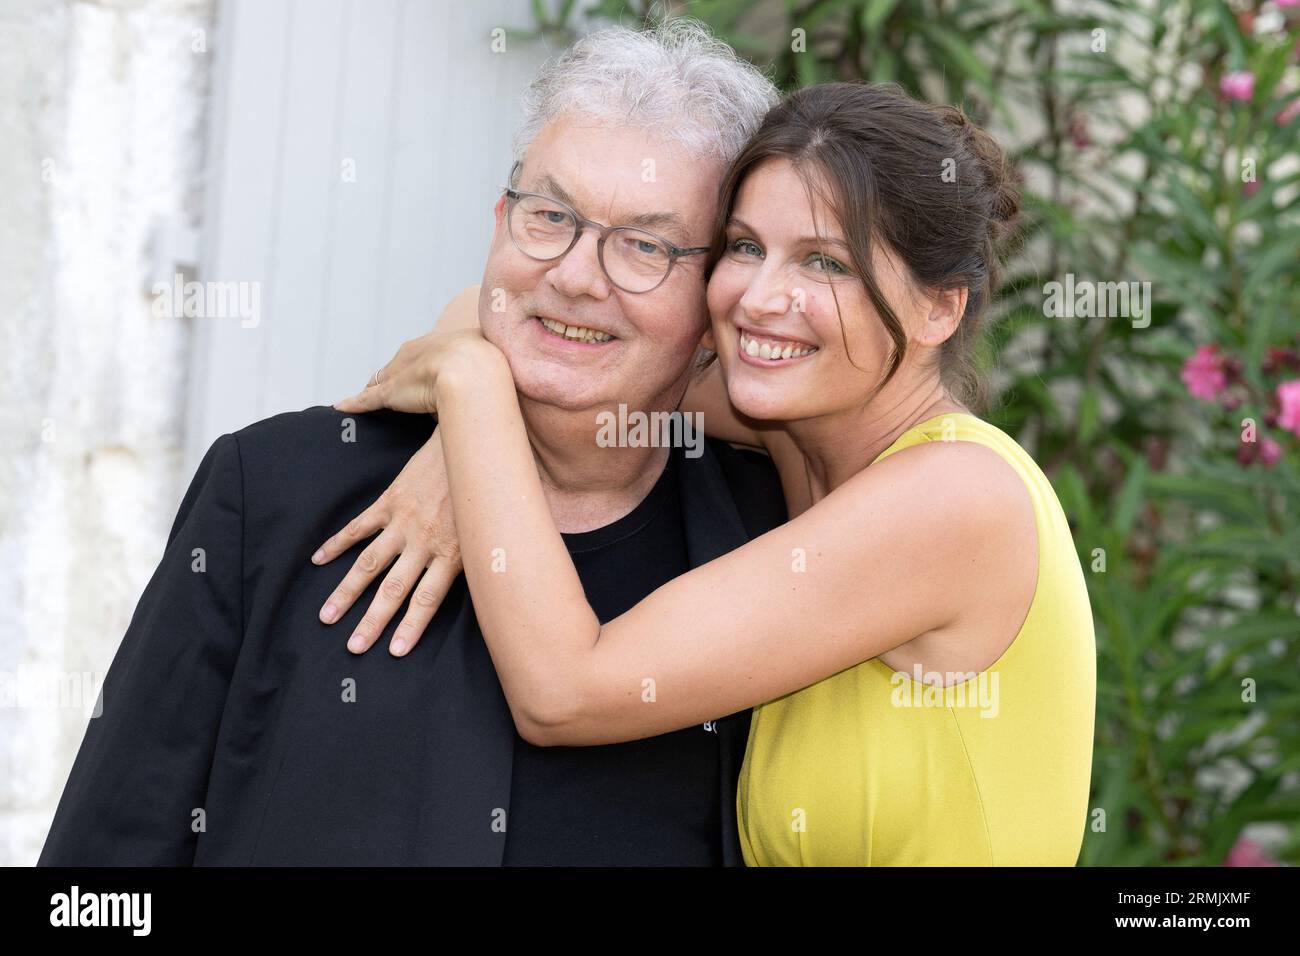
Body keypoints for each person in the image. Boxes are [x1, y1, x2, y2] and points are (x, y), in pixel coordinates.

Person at [38, 21, 785, 866]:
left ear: (720, 291)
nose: (577, 275)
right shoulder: (276, 488)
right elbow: (106, 860)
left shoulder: (771, 537)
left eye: (645, 246)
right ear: (500, 222)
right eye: (551, 217)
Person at [325, 81, 1098, 866]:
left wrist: (471, 392)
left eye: (826, 262)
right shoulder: (795, 428)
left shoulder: (956, 498)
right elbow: (544, 336)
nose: (761, 299)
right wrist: (450, 448)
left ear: (940, 309)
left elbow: (563, 692)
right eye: (746, 247)